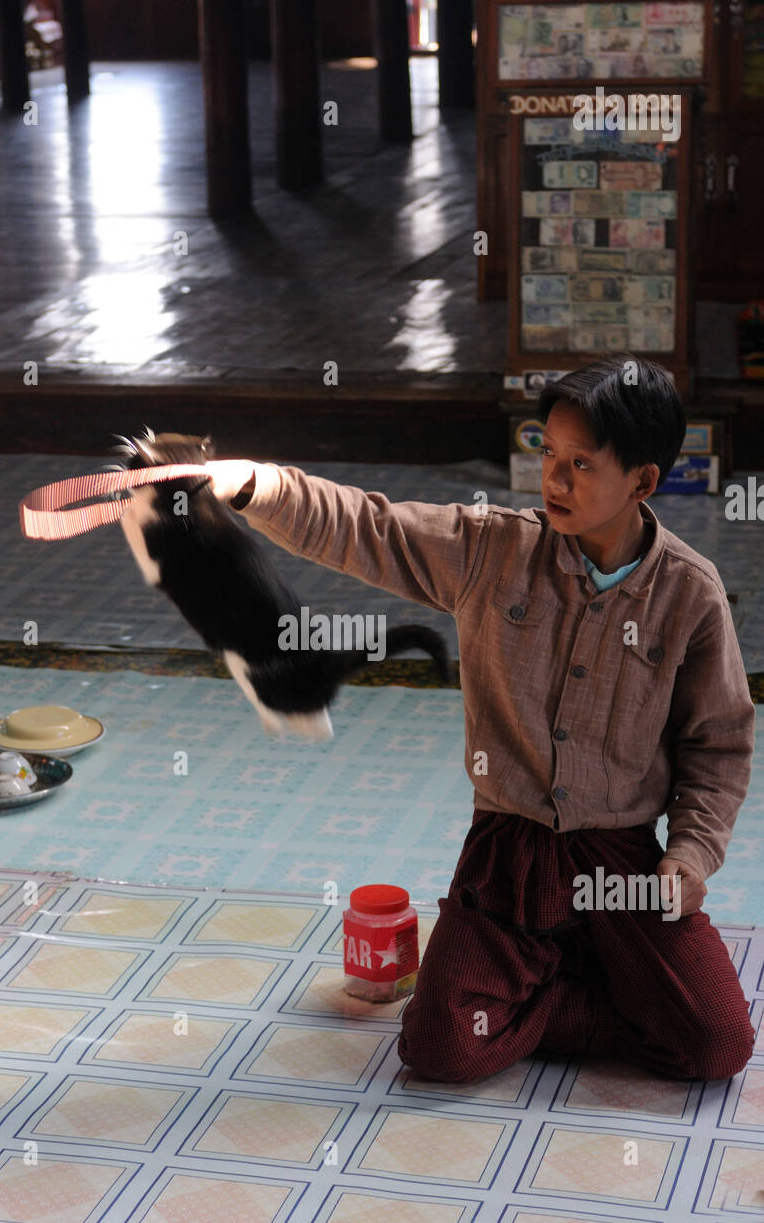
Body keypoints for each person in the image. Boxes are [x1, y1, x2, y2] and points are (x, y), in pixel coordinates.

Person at [180, 356, 756, 1083]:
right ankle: (570, 985)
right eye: (546, 452)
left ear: (642, 481)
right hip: (506, 853)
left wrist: (689, 857)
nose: (553, 478)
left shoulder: (690, 594)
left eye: (580, 463)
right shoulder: (491, 549)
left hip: (623, 865)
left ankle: (549, 982)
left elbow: (719, 748)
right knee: (440, 1047)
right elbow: (369, 528)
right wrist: (258, 485)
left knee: (715, 1045)